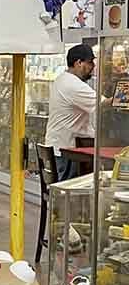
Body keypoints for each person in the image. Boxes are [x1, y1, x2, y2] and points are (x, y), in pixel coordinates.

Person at [45, 43, 97, 181]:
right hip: (68, 150)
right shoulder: (73, 85)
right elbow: (102, 104)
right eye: (90, 62)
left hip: (59, 146)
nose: (93, 67)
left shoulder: (62, 79)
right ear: (78, 63)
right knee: (67, 195)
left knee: (62, 194)